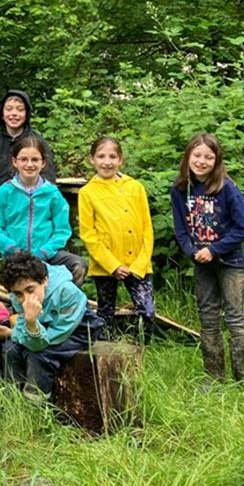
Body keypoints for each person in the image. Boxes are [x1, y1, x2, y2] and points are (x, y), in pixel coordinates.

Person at [170, 133, 244, 383]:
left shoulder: (227, 188)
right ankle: (214, 377)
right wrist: (191, 251)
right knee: (207, 319)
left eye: (208, 157)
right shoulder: (180, 190)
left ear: (217, 160)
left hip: (231, 264)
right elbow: (181, 229)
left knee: (235, 320)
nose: (202, 161)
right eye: (197, 155)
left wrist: (214, 249)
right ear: (188, 157)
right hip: (201, 264)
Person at [79, 137, 155, 341]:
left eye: (112, 156)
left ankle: (143, 348)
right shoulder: (87, 192)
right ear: (92, 160)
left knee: (146, 311)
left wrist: (140, 263)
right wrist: (112, 265)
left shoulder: (135, 187)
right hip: (106, 265)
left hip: (137, 263)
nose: (107, 162)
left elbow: (147, 227)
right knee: (105, 313)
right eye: (101, 156)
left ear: (120, 160)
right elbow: (88, 234)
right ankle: (107, 350)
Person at [0, 252, 101, 401]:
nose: (25, 299)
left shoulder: (67, 292)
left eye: (30, 290)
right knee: (10, 349)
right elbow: (21, 327)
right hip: (40, 327)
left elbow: (42, 343)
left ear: (44, 280)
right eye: (19, 294)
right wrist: (19, 332)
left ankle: (35, 402)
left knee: (39, 355)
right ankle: (13, 398)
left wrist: (31, 324)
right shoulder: (17, 298)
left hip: (74, 329)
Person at [0, 135, 86, 285]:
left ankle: (63, 302)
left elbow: (62, 230)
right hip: (15, 256)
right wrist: (12, 248)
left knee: (78, 265)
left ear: (43, 163)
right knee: (24, 281)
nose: (29, 164)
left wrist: (45, 251)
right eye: (24, 159)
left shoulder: (53, 194)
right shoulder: (1, 194)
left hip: (47, 254)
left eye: (35, 160)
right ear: (15, 162)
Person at [0, 90, 57, 216]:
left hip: (32, 207)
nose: (14, 114)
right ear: (2, 114)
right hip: (3, 206)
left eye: (20, 110)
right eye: (9, 109)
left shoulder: (37, 142)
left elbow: (49, 178)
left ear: (27, 114)